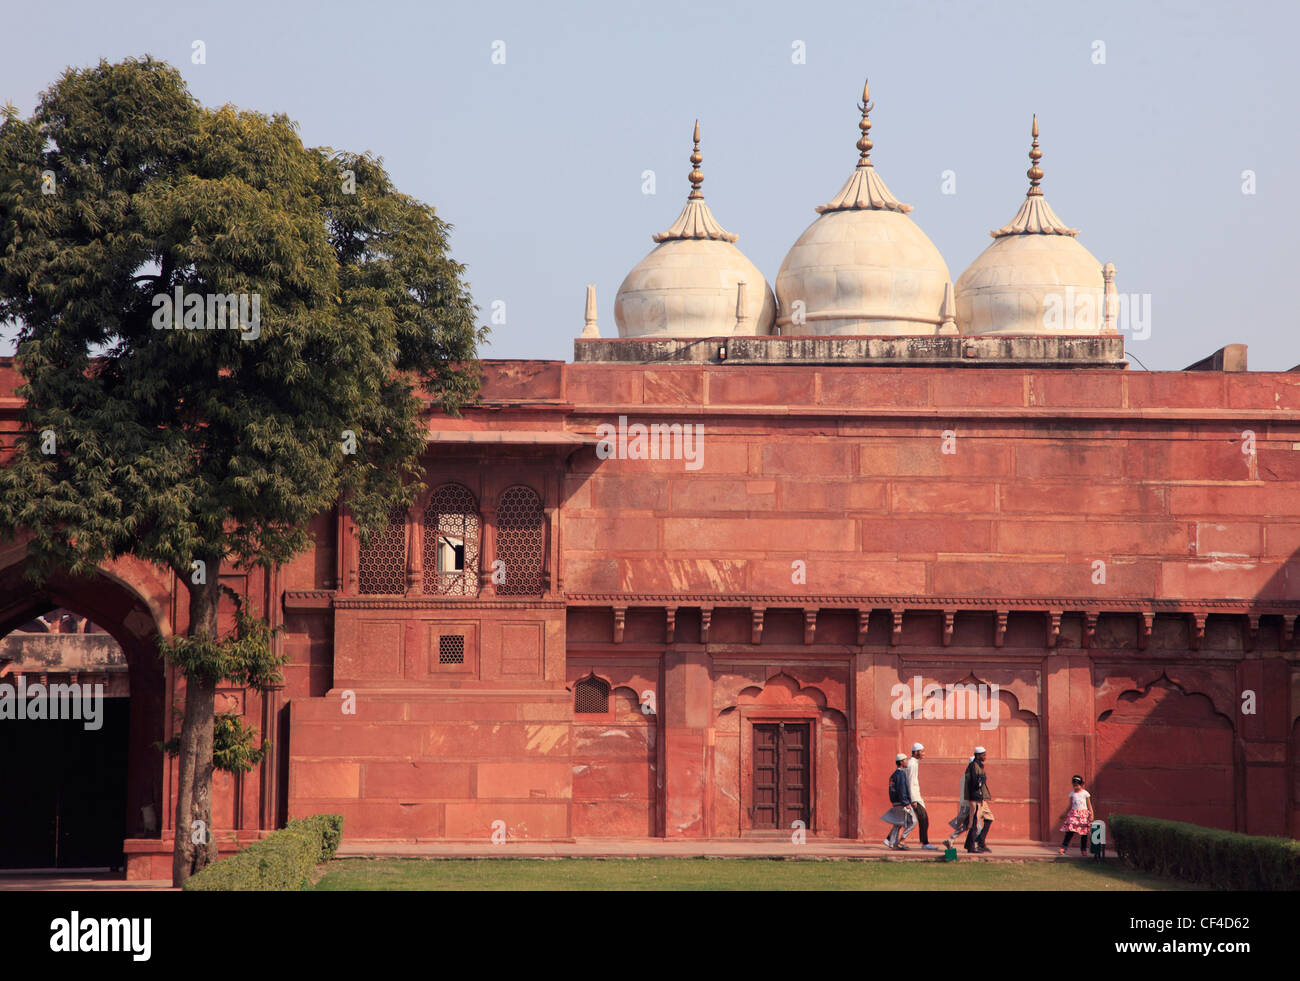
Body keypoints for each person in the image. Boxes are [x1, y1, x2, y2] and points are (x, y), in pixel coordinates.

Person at [900, 742, 938, 850]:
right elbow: (910, 782)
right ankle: (924, 843)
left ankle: (921, 842)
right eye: (922, 751)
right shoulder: (912, 764)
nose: (924, 754)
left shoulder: (913, 763)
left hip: (916, 796)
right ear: (916, 752)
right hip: (914, 797)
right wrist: (913, 799)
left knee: (921, 819)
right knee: (923, 819)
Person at [963, 745, 994, 853]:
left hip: (979, 798)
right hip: (975, 798)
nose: (985, 756)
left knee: (988, 818)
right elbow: (974, 783)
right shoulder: (973, 766)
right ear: (977, 755)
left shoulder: (979, 766)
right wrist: (981, 781)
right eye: (983, 755)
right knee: (973, 822)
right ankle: (971, 847)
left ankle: (979, 842)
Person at [881, 752, 915, 849]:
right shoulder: (900, 774)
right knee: (913, 821)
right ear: (901, 762)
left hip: (896, 802)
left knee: (898, 822)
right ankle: (899, 841)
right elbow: (901, 789)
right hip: (901, 802)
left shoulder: (893, 775)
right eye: (905, 760)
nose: (907, 762)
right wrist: (906, 802)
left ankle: (890, 841)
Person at [1058, 775, 1094, 856]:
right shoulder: (1072, 794)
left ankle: (1083, 849)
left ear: (1081, 784)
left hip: (1083, 815)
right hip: (1074, 815)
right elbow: (1070, 805)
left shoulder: (1085, 793)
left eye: (1077, 785)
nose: (1075, 786)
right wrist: (1064, 814)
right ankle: (1063, 848)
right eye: (1074, 785)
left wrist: (1092, 815)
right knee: (1069, 832)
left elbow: (1089, 805)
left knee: (1083, 834)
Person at [944, 755, 974, 848]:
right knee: (976, 826)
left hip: (965, 804)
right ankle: (976, 845)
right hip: (970, 804)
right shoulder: (971, 776)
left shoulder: (965, 776)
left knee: (967, 825)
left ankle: (951, 839)